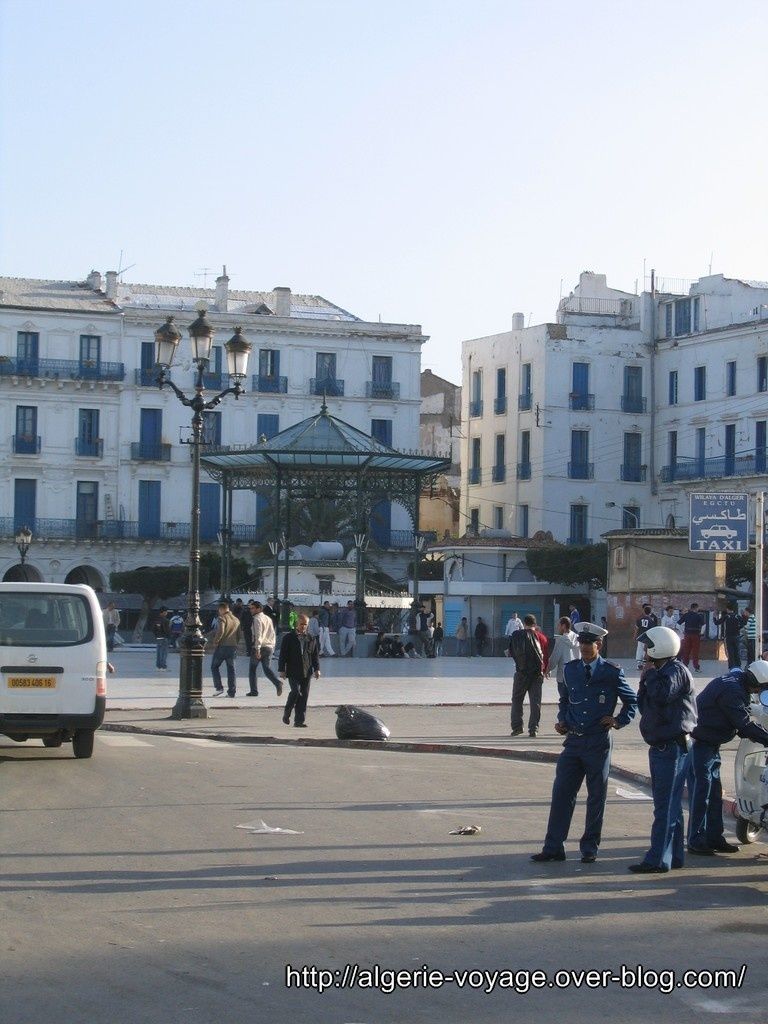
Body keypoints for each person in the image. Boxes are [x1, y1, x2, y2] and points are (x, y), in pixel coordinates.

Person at [531, 622, 637, 864]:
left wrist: (618, 720)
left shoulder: (611, 672)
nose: (585, 648)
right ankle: (553, 847)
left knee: (596, 796)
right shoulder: (571, 669)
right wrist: (562, 720)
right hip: (574, 741)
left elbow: (632, 701)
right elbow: (565, 700)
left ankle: (589, 847)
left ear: (599, 645)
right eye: (582, 644)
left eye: (590, 644)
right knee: (562, 794)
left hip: (597, 742)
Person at [629, 626, 697, 874]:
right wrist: (646, 679)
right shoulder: (660, 672)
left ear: (660, 647)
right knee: (671, 806)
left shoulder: (674, 671)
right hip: (661, 747)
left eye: (649, 647)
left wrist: (648, 676)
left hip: (672, 748)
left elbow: (660, 696)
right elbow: (644, 705)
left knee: (665, 807)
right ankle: (673, 856)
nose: (646, 652)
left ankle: (657, 860)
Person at [688, 660, 768, 855]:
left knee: (714, 794)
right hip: (703, 745)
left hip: (711, 744)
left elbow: (742, 718)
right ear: (756, 682)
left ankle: (714, 838)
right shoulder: (733, 691)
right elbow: (744, 725)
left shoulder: (736, 680)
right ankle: (696, 840)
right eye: (762, 687)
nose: (760, 691)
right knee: (702, 794)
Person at [509, 614, 550, 737]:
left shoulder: (517, 636)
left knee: (517, 700)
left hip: (521, 673)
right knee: (535, 702)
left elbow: (512, 652)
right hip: (537, 675)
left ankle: (517, 727)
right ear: (535, 624)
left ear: (524, 623)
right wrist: (545, 670)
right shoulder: (542, 637)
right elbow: (545, 657)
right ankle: (533, 729)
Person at [278, 612, 320, 727]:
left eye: (305, 624)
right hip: (293, 670)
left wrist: (317, 669)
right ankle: (287, 712)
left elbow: (315, 655)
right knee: (295, 692)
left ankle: (299, 721)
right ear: (297, 624)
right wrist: (282, 669)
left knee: (304, 695)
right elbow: (283, 655)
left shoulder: (311, 638)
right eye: (301, 624)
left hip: (306, 670)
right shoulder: (288, 638)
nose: (303, 626)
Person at [246, 600, 283, 697]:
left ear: (258, 609)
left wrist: (257, 649)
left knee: (252, 669)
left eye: (253, 608)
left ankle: (254, 691)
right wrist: (272, 646)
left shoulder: (256, 619)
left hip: (260, 647)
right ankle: (277, 683)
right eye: (250, 608)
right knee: (266, 668)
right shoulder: (268, 618)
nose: (251, 610)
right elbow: (272, 633)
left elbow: (258, 635)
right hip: (269, 646)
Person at [210, 600, 242, 697]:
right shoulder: (236, 620)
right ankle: (232, 692)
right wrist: (235, 643)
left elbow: (221, 630)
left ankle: (219, 687)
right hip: (233, 648)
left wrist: (216, 641)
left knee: (214, 666)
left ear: (221, 609)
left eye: (219, 610)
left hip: (222, 647)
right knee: (231, 669)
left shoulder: (222, 618)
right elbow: (239, 634)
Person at [548, 616, 580, 686]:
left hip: (563, 677)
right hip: (576, 676)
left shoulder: (560, 640)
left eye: (559, 625)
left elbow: (554, 658)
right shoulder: (577, 638)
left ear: (563, 626)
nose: (557, 627)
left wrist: (547, 669)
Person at [714, 604, 742, 670]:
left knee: (730, 652)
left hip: (728, 637)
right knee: (737, 652)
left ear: (727, 609)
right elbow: (743, 623)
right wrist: (738, 628)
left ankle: (731, 667)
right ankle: (738, 666)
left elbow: (717, 623)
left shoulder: (726, 616)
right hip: (736, 636)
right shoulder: (737, 616)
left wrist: (714, 617)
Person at [678, 602, 705, 670]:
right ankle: (696, 667)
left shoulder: (686, 615)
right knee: (695, 651)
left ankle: (685, 666)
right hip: (696, 635)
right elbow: (704, 625)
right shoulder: (698, 616)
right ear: (696, 608)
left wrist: (682, 631)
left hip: (687, 635)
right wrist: (701, 633)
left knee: (686, 651)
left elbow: (678, 624)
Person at [634, 603, 659, 670]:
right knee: (646, 650)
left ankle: (639, 664)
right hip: (647, 637)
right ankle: (644, 663)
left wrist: (635, 635)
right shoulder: (651, 620)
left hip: (640, 636)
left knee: (639, 649)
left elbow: (637, 628)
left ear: (644, 611)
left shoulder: (639, 619)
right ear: (650, 612)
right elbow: (653, 629)